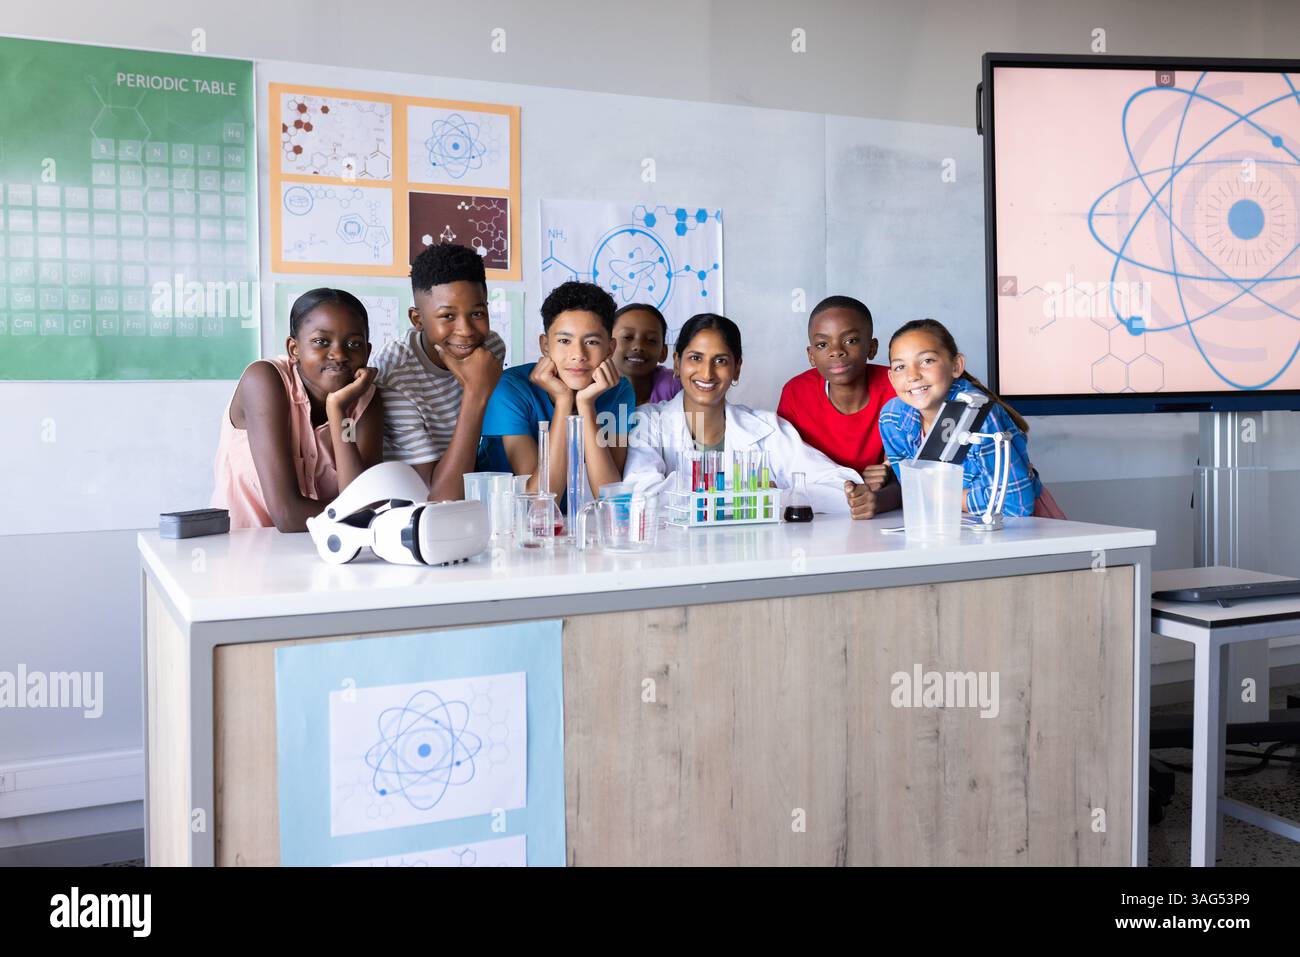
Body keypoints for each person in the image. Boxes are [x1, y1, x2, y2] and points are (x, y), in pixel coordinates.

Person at [623, 312, 869, 516]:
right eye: (695, 358)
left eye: (720, 361)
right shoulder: (647, 422)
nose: (707, 373)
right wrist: (752, 495)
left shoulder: (765, 427)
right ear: (677, 363)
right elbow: (642, 496)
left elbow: (840, 487)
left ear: (737, 368)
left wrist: (777, 498)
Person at [211, 288, 382, 530]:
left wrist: (337, 408)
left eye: (354, 343)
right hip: (244, 548)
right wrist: (356, 513)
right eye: (321, 342)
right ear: (294, 349)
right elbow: (287, 515)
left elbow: (364, 500)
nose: (339, 354)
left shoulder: (367, 400)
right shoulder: (264, 381)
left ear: (368, 351)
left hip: (328, 551)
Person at [372, 243, 505, 499]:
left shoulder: (491, 349)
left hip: (467, 495)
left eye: (477, 313)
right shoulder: (394, 372)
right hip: (408, 508)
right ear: (417, 319)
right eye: (447, 316)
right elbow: (437, 498)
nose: (466, 330)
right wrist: (475, 393)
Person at [480, 281, 635, 501]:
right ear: (545, 345)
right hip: (507, 521)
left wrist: (586, 405)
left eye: (591, 342)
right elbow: (539, 500)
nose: (578, 354)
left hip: (575, 523)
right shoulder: (511, 388)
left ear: (610, 349)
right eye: (564, 340)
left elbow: (611, 497)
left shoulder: (619, 391)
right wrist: (564, 401)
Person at [879, 318, 1043, 517]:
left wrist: (940, 496)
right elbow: (914, 493)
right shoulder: (892, 419)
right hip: (950, 527)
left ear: (956, 365)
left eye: (927, 361)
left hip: (1015, 529)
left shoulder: (977, 413)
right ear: (890, 378)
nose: (913, 375)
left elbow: (1015, 505)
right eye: (900, 367)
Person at [777, 295, 900, 517]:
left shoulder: (897, 386)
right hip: (819, 514)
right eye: (823, 344)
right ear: (811, 356)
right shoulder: (796, 393)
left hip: (886, 519)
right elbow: (786, 468)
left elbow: (921, 471)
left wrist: (888, 481)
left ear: (872, 348)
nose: (836, 351)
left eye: (850, 340)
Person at [611, 302, 681, 406]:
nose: (638, 346)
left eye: (651, 340)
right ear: (608, 347)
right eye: (627, 337)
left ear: (663, 352)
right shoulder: (593, 389)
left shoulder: (675, 387)